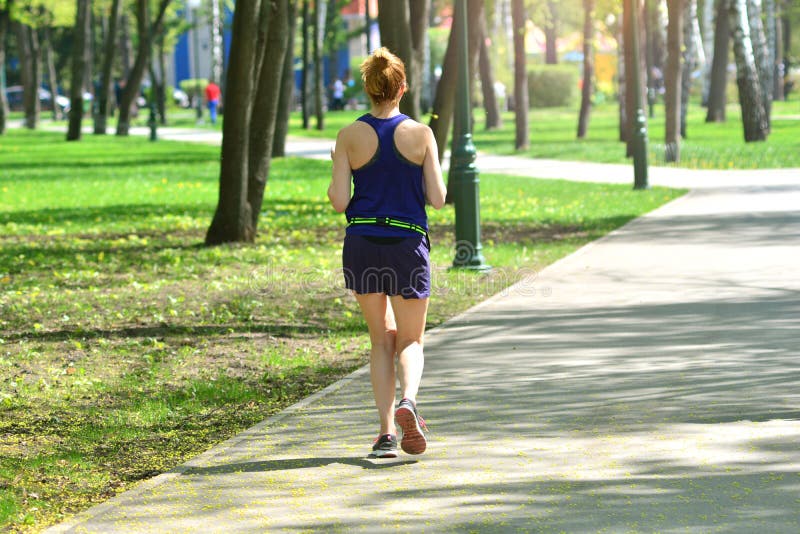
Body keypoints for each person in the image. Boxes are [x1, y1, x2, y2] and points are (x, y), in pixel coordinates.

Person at [328, 47, 447, 458]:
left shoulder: (348, 136)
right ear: (403, 87)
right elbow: (437, 197)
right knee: (410, 340)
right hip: (406, 244)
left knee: (381, 340)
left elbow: (340, 201)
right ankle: (408, 402)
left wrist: (337, 164)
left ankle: (384, 437)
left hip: (362, 244)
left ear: (368, 88)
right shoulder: (421, 135)